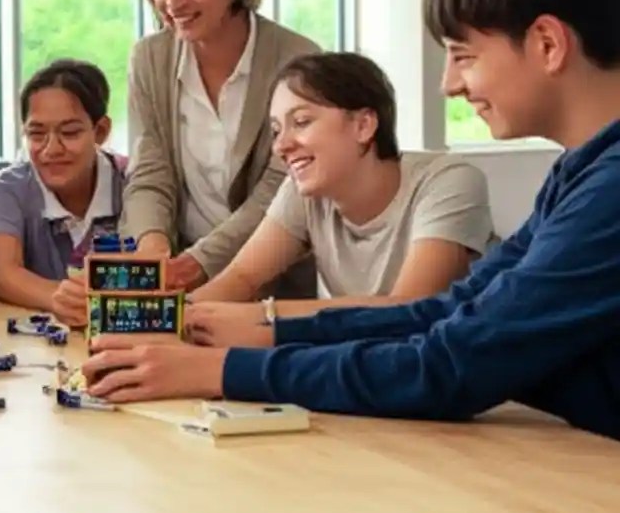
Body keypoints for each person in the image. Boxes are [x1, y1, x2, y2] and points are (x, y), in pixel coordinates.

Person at [82, 0, 620, 442]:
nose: (449, 84)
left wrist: (218, 370)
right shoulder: (578, 176)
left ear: (548, 44)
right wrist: (272, 331)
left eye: (464, 55)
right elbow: (450, 311)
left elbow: (448, 364)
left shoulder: (607, 191)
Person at [186, 52, 494, 348]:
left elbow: (408, 310)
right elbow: (240, 279)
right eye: (277, 130)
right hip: (360, 368)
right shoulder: (302, 190)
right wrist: (170, 319)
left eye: (302, 121)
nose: (281, 146)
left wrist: (263, 315)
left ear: (363, 125)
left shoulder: (449, 181)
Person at [121, 0, 322, 297]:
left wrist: (201, 263)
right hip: (177, 283)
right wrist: (152, 249)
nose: (172, 3)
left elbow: (282, 187)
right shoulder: (150, 58)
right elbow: (149, 168)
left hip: (275, 284)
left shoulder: (300, 60)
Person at [0, 59, 125, 326]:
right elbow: (3, 273)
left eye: (70, 133)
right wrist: (59, 298)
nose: (51, 150)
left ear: (101, 131)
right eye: (36, 135)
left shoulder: (134, 184)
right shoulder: (8, 189)